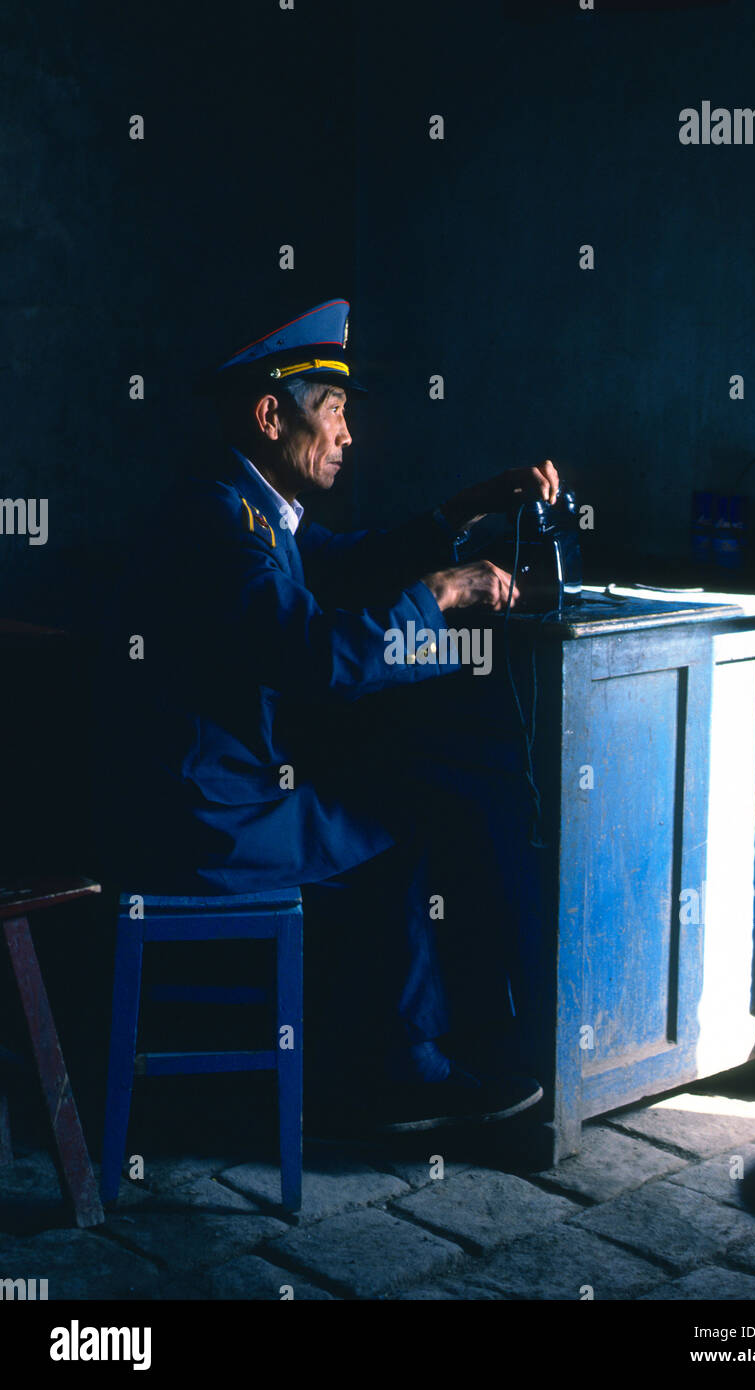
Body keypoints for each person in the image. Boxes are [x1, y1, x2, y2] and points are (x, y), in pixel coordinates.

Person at [97, 299, 559, 1131]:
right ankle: (404, 1075)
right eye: (335, 411)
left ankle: (377, 1057)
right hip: (202, 820)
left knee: (387, 801)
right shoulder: (219, 523)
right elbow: (323, 659)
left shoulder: (239, 506)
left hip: (205, 795)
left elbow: (338, 566)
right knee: (405, 822)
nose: (349, 436)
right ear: (273, 415)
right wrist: (441, 593)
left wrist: (465, 508)